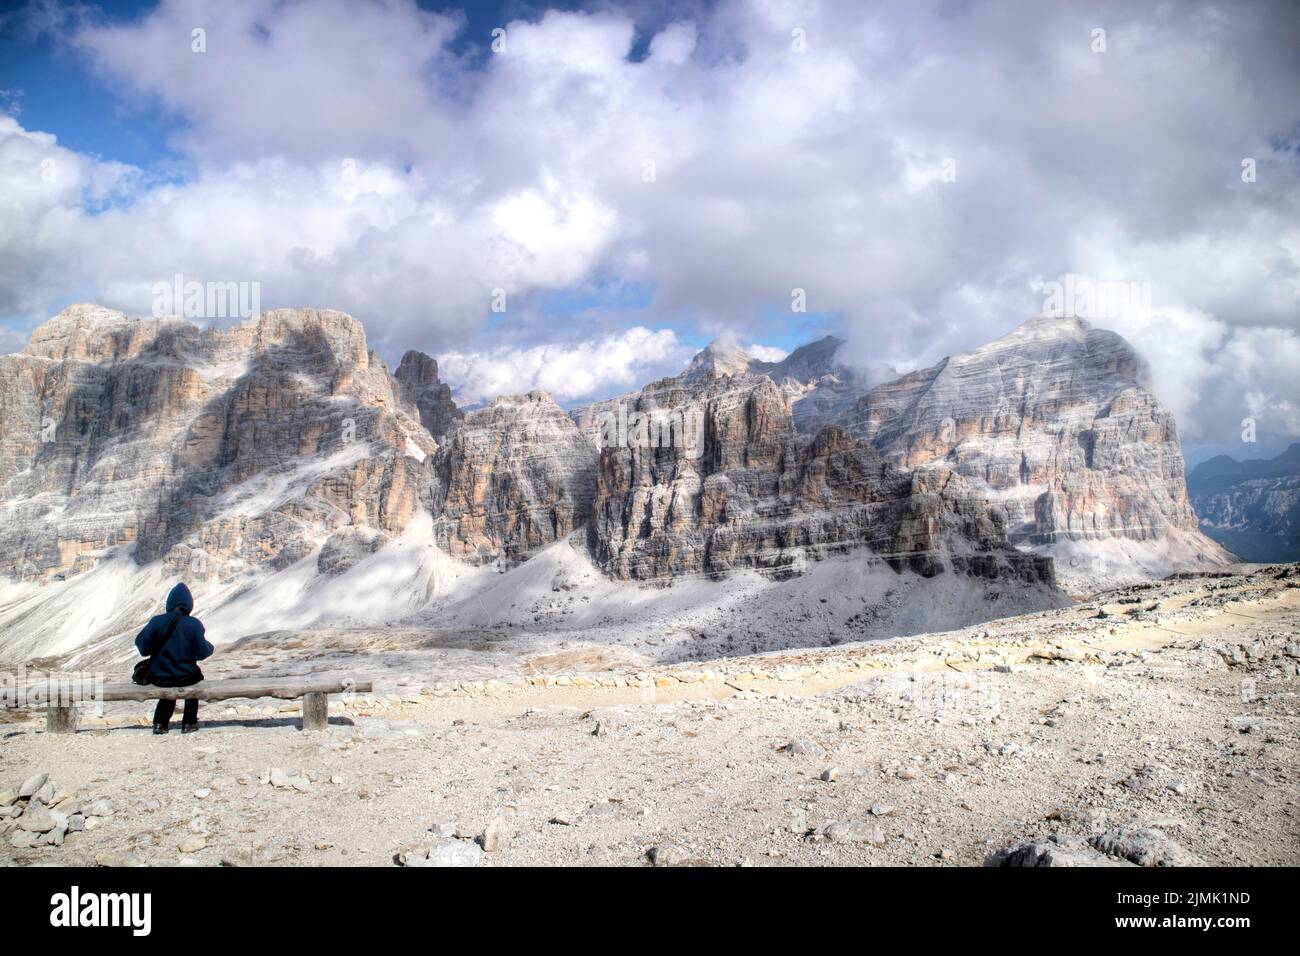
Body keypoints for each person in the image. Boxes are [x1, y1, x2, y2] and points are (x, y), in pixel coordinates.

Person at [134, 582, 214, 734]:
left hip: (159, 676)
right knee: (197, 678)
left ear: (169, 603)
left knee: (167, 683)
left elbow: (142, 648)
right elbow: (202, 653)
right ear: (189, 604)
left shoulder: (156, 621)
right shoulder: (194, 624)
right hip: (186, 676)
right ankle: (189, 722)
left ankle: (160, 723)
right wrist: (209, 647)